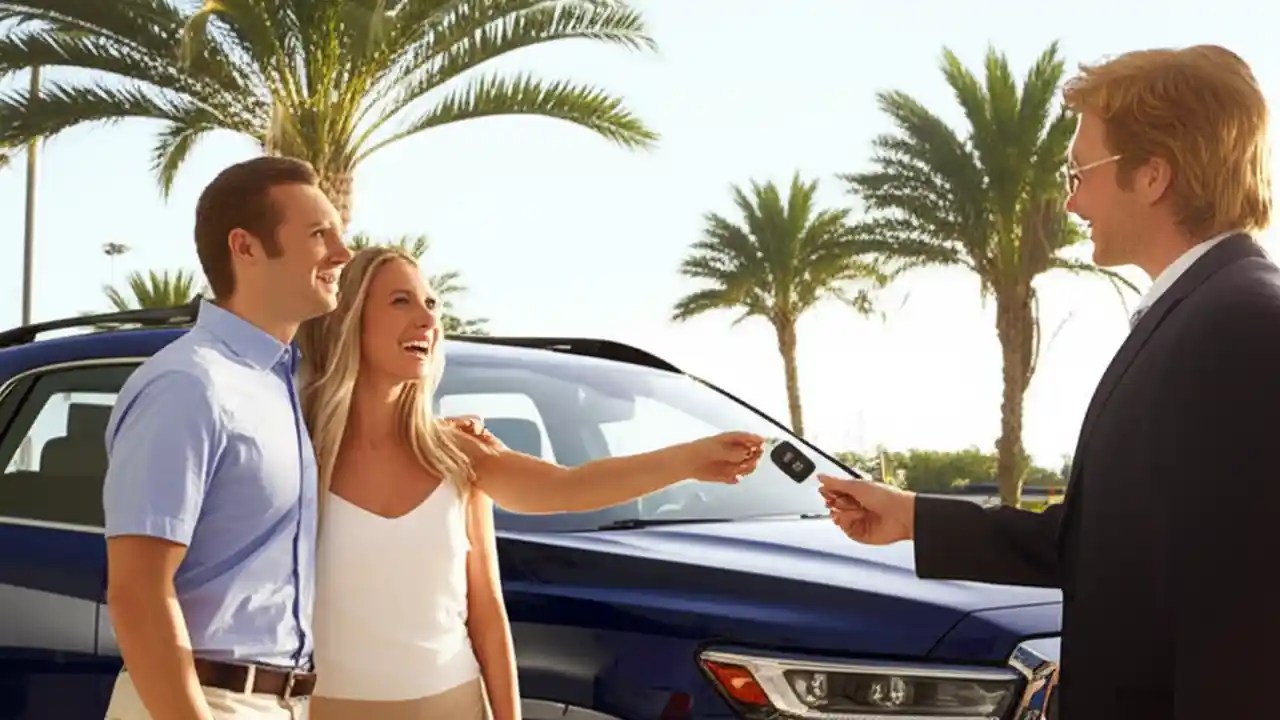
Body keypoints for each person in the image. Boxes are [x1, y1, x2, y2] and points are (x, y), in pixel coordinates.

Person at [817, 44, 1279, 720]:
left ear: (1153, 176)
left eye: (1079, 171)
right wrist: (910, 516)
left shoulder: (1242, 328)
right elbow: (1102, 545)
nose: (1069, 200)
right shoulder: (1201, 314)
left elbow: (1246, 623)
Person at [293, 245, 765, 719]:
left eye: (432, 304)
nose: (427, 320)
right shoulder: (298, 453)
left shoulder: (457, 455)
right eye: (401, 301)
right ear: (348, 317)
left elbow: (559, 499)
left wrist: (689, 459)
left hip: (453, 704)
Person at [101, 156, 353, 719]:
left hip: (274, 705)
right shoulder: (188, 386)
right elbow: (138, 595)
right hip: (200, 702)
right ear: (245, 247)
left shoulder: (281, 384)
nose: (343, 253)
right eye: (319, 234)